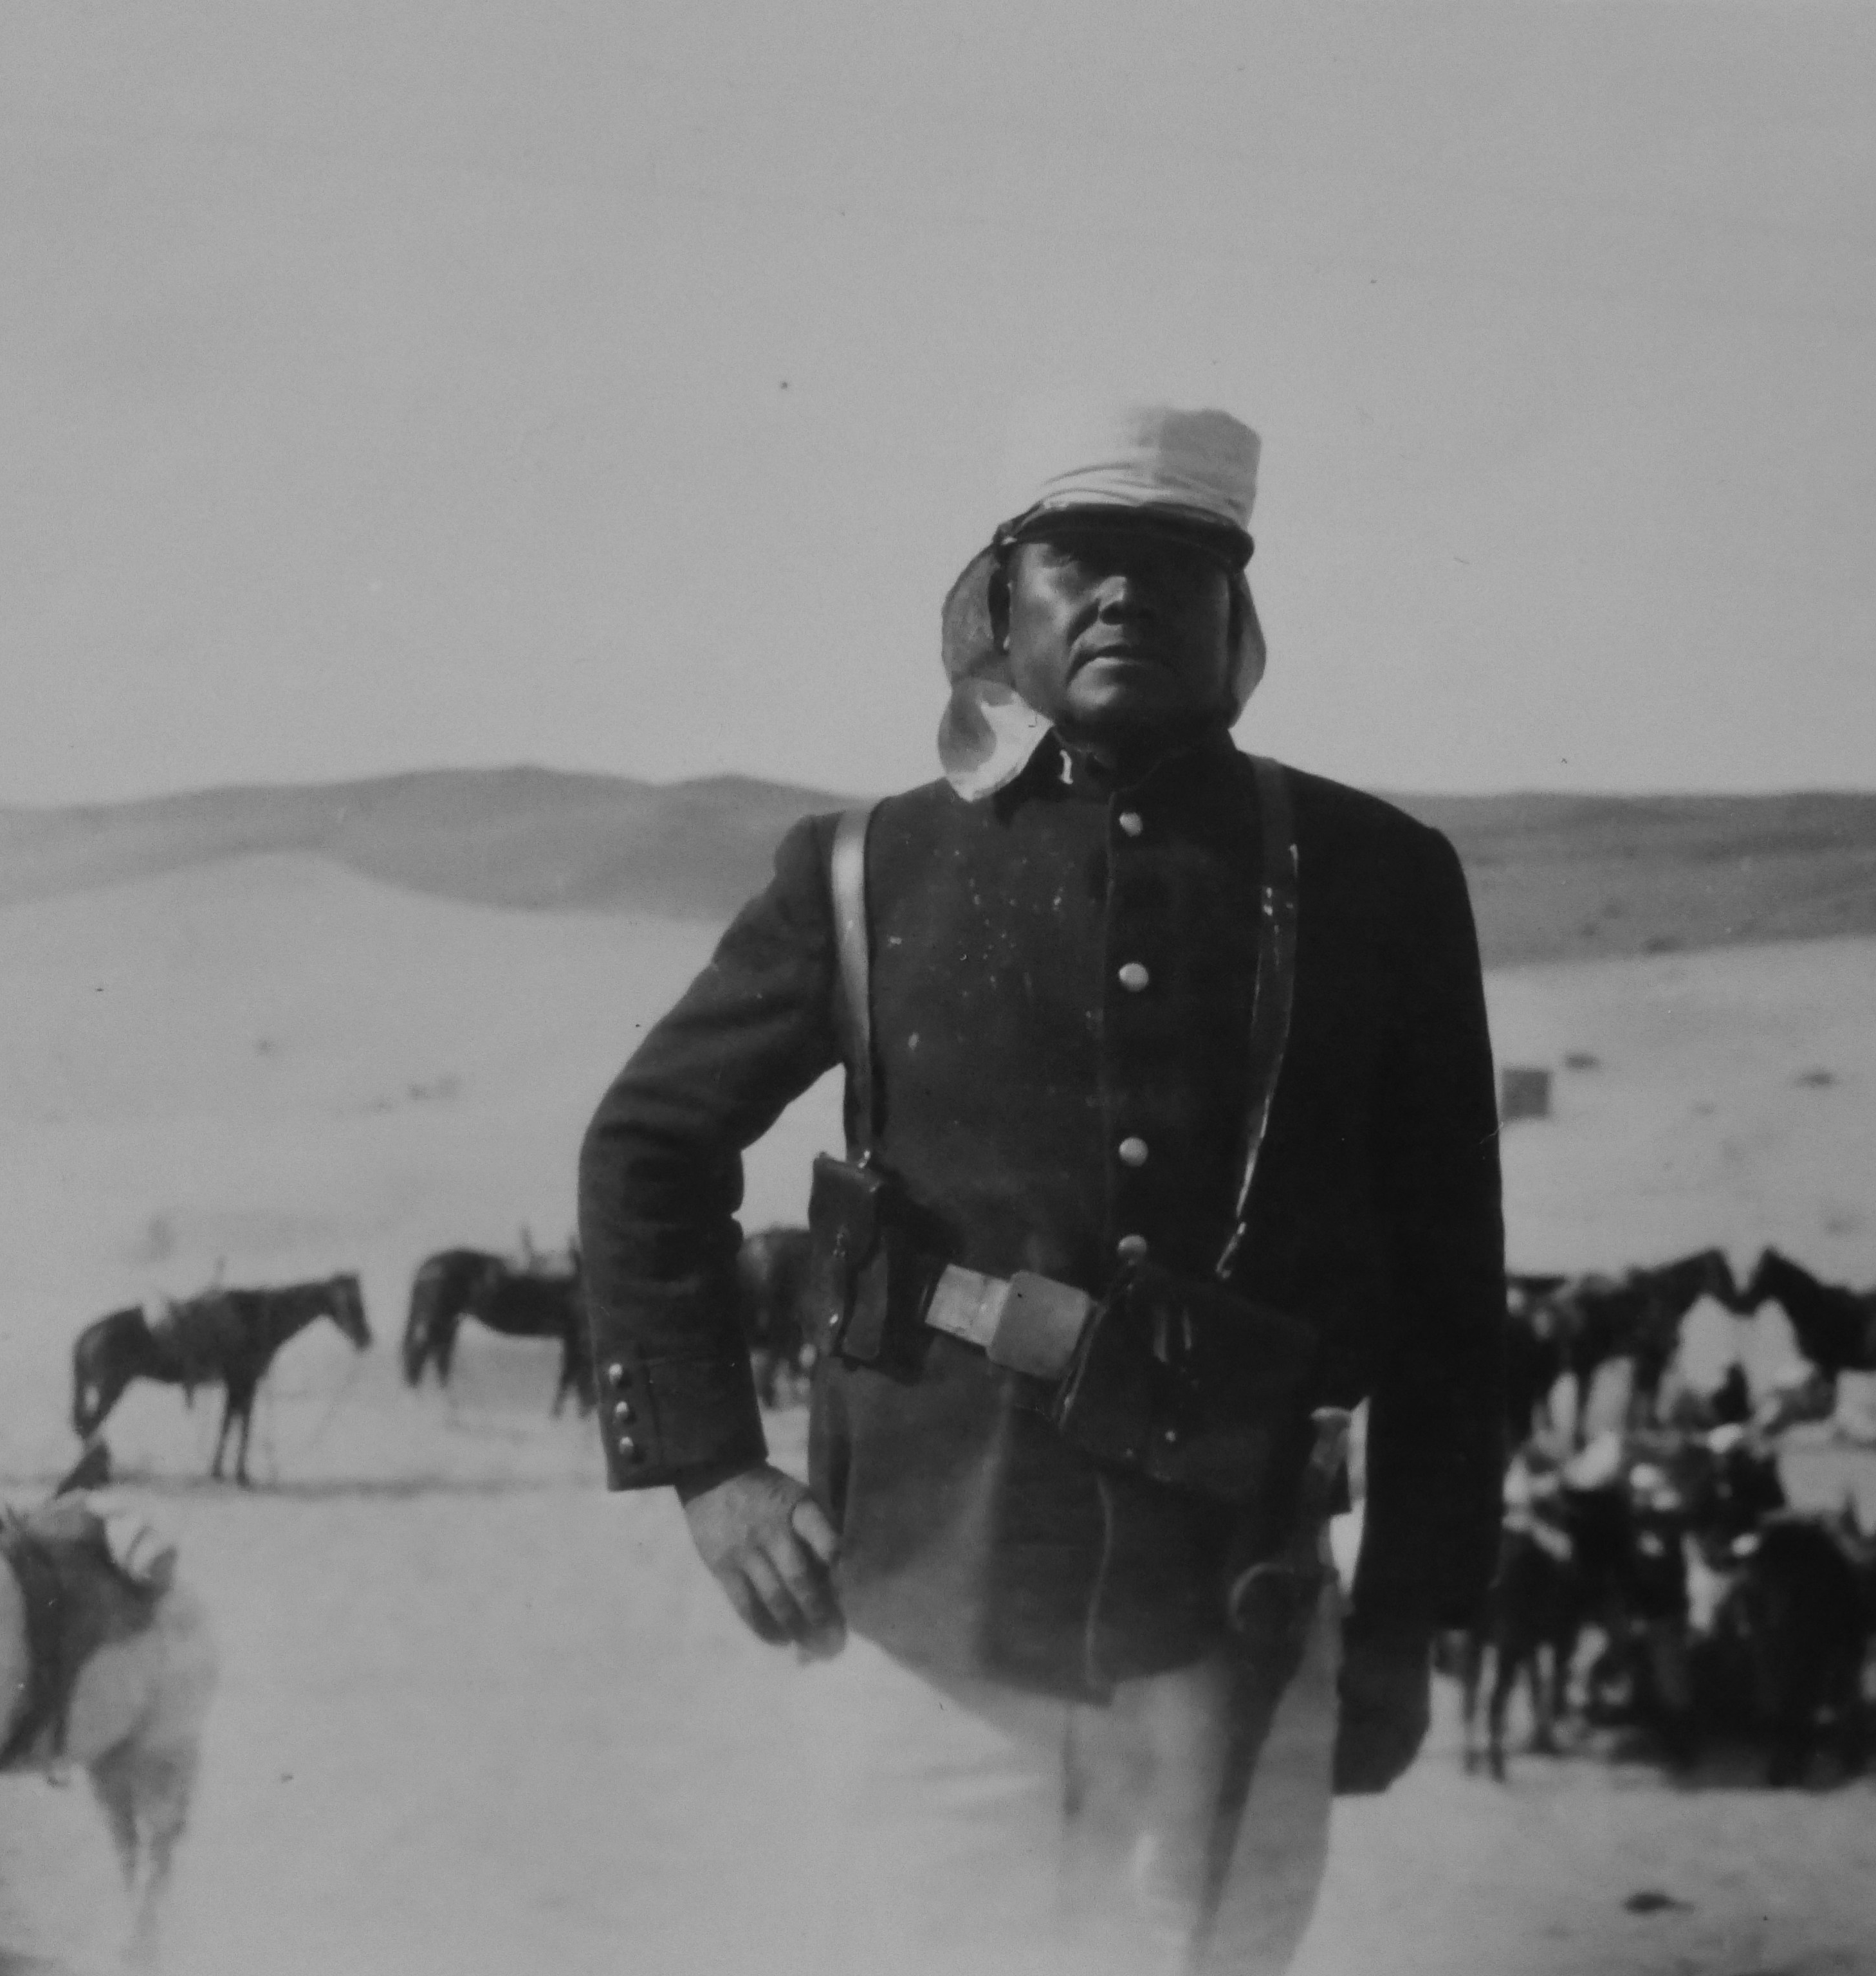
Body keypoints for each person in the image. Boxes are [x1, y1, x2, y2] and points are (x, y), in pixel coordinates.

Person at [580, 401, 1504, 1975]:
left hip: (1243, 1625)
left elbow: (1449, 1280)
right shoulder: (866, 874)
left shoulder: (1377, 881)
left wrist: (1408, 1618)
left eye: (1177, 563)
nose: (1128, 596)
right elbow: (647, 1147)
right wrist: (712, 1469)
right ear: (998, 606)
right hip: (935, 1619)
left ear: (1239, 616)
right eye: (1081, 560)